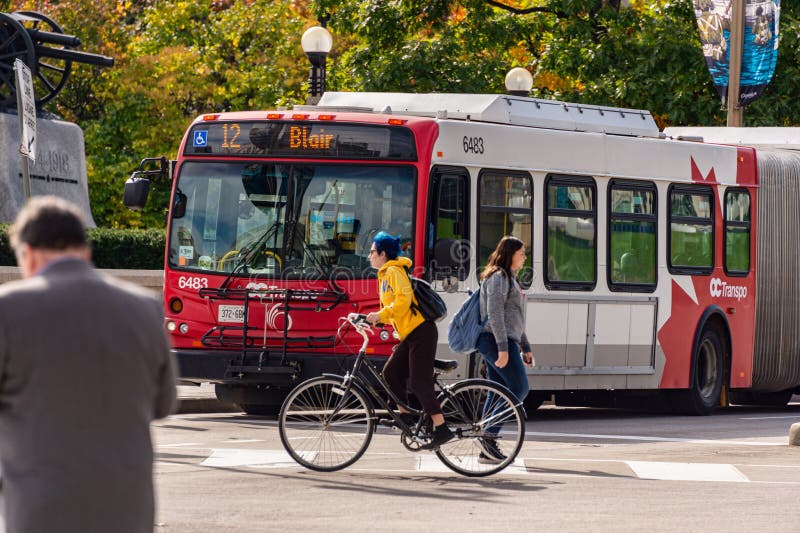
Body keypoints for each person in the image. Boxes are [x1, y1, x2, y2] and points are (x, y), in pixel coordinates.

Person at [0, 196, 177, 533]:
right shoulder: (144, 308)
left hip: (39, 510)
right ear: (85, 250)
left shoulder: (8, 310)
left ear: (29, 253)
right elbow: (164, 404)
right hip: (128, 511)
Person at [365, 232, 454, 449]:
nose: (369, 256)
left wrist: (381, 316)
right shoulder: (385, 274)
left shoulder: (395, 271)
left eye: (372, 252)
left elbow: (403, 302)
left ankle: (441, 428)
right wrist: (373, 319)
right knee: (390, 372)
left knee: (418, 382)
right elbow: (396, 309)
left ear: (383, 254)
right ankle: (405, 416)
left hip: (422, 332)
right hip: (410, 334)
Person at [476, 235, 534, 463]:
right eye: (522, 254)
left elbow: (515, 319)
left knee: (497, 391)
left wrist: (525, 346)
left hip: (503, 341)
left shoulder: (510, 278)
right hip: (494, 340)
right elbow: (495, 315)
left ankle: (486, 442)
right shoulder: (499, 277)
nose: (525, 258)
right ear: (510, 254)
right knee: (519, 389)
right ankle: (488, 435)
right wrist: (503, 348)